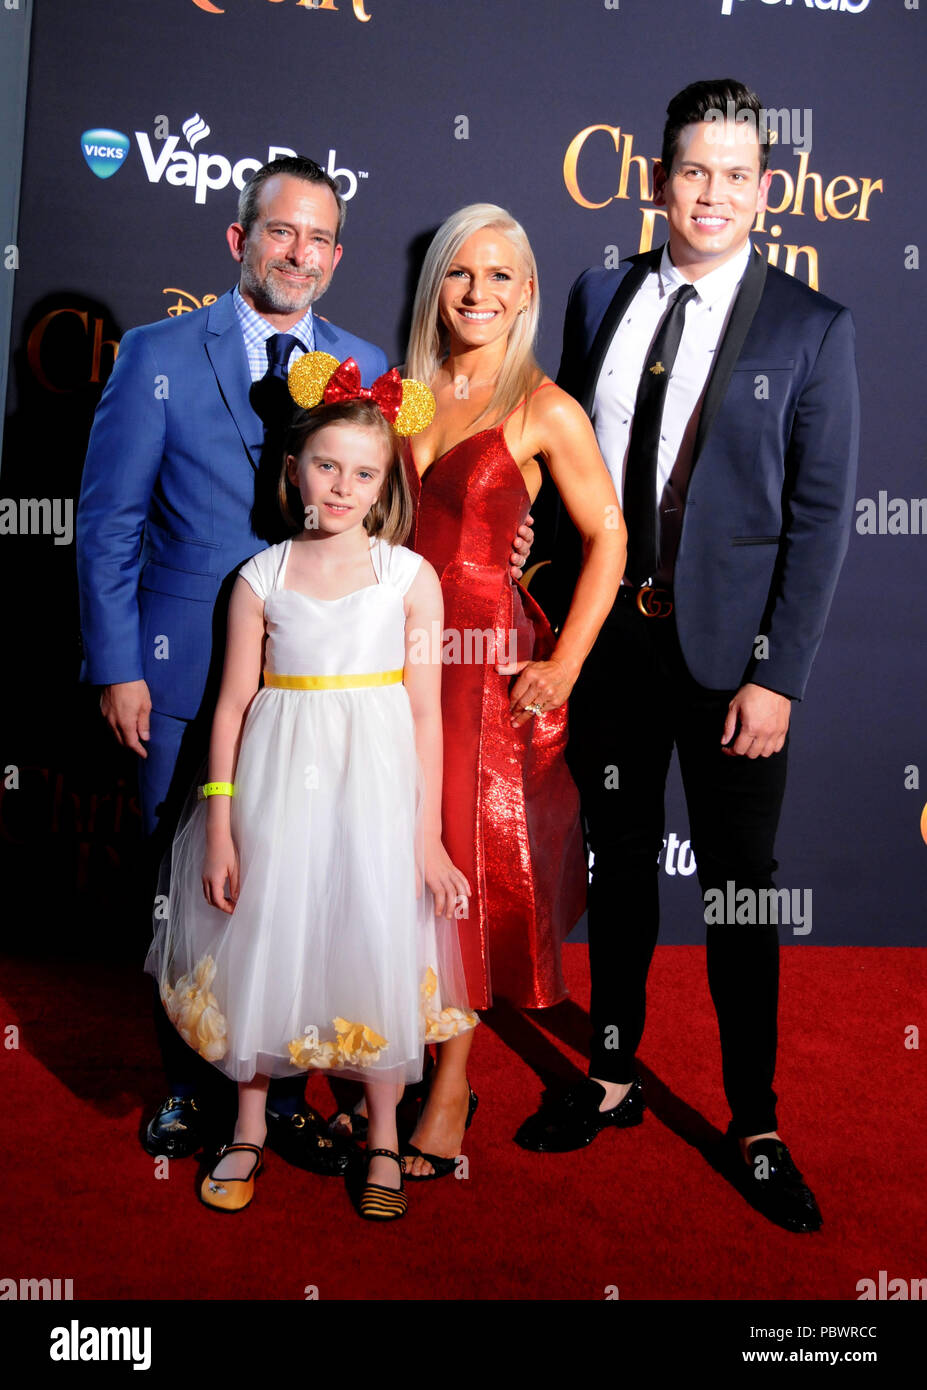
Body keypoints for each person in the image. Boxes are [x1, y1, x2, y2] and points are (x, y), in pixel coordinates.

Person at [518, 80, 859, 1234]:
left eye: (734, 173)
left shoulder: (813, 327)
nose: (710, 193)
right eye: (690, 171)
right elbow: (568, 474)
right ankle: (613, 1071)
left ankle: (755, 1118)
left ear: (765, 189)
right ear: (658, 181)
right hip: (611, 643)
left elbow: (819, 520)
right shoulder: (598, 292)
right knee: (618, 867)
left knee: (740, 892)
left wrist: (780, 676)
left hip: (733, 664)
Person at [77, 156, 392, 1167]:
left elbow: (392, 527)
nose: (297, 253)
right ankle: (181, 1090)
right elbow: (108, 524)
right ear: (239, 240)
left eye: (317, 239)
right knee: (185, 886)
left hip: (314, 689)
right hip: (182, 679)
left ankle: (281, 1090)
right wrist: (117, 665)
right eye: (279, 232)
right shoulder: (157, 353)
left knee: (297, 883)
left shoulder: (367, 362)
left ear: (337, 257)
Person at [146, 362, 478, 1218]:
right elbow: (230, 708)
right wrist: (219, 825)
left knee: (372, 941)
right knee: (269, 941)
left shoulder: (409, 579)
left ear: (385, 483)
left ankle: (380, 1138)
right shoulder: (260, 578)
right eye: (326, 466)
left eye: (363, 473)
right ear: (295, 467)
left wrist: (426, 836)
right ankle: (247, 1128)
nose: (341, 486)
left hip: (375, 797)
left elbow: (426, 717)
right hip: (274, 791)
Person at [394, 204, 625, 1178]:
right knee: (388, 862)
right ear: (435, 287)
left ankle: (451, 1084)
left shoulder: (545, 407)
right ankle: (386, 1048)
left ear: (528, 291)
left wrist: (565, 659)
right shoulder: (402, 394)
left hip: (483, 667)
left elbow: (609, 534)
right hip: (392, 651)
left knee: (466, 874)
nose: (478, 294)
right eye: (460, 274)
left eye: (500, 276)